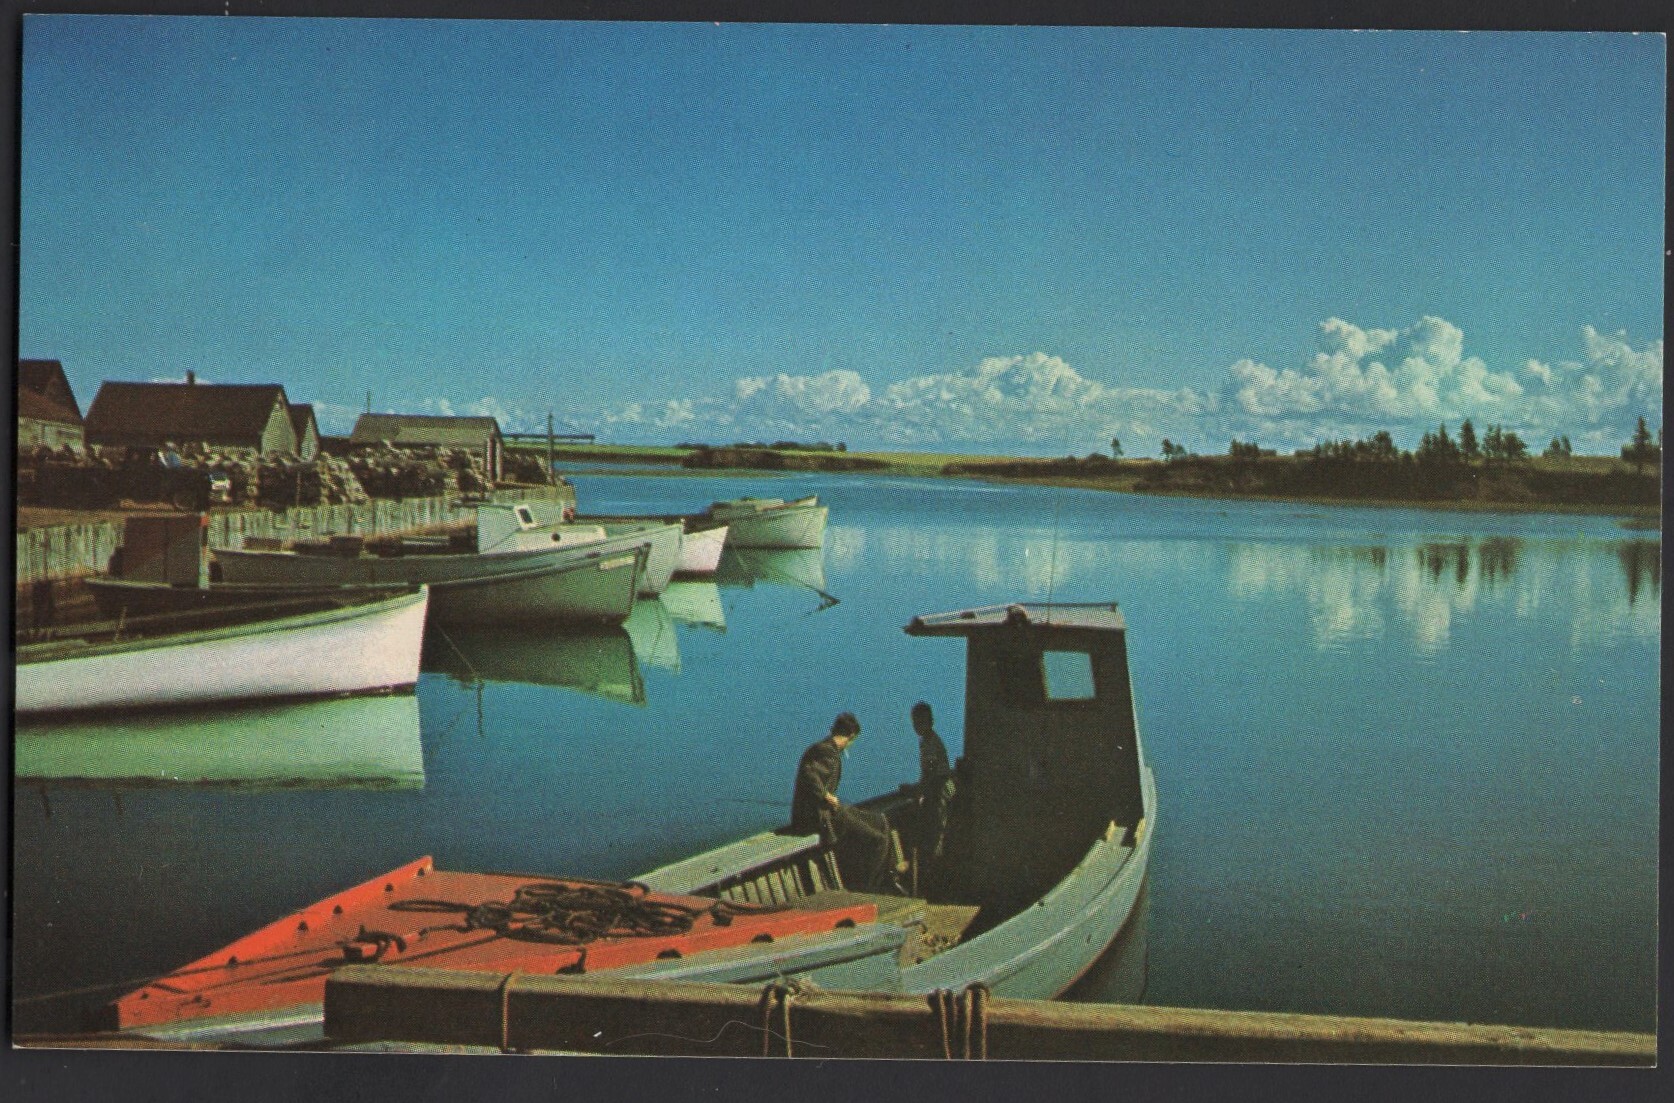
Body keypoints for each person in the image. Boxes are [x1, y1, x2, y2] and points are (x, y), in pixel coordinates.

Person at [791, 712, 902, 890]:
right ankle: (870, 887)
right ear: (851, 736)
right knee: (878, 838)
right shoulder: (827, 752)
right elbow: (809, 773)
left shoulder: (825, 749)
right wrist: (826, 795)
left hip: (829, 812)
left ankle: (889, 875)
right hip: (819, 819)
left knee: (881, 821)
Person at [911, 702, 956, 860]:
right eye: (915, 722)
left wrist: (919, 790)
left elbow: (930, 772)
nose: (917, 726)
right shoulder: (925, 741)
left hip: (941, 788)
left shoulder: (931, 743)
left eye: (921, 722)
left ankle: (938, 858)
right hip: (936, 787)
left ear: (930, 722)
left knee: (939, 828)